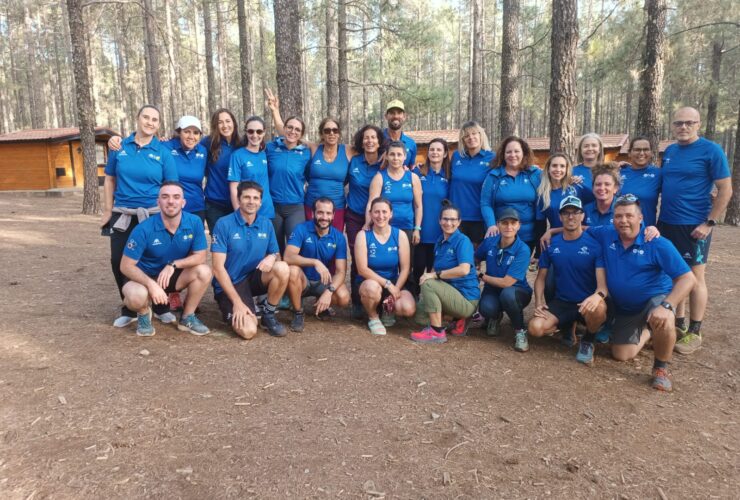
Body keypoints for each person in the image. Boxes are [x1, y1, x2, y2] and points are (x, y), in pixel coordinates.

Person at [587, 194, 696, 391]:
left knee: (663, 319)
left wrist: (667, 306)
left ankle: (660, 369)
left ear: (640, 218)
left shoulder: (657, 243)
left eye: (629, 215)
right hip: (626, 308)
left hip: (654, 300)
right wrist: (551, 231)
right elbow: (582, 229)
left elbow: (688, 279)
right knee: (621, 355)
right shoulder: (607, 233)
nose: (623, 221)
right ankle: (648, 332)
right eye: (618, 216)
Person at [658, 106, 732, 354]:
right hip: (667, 222)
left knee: (696, 276)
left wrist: (709, 222)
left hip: (694, 225)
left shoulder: (711, 150)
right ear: (672, 125)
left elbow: (725, 189)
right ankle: (678, 323)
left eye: (689, 123)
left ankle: (694, 331)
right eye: (679, 123)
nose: (683, 127)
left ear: (698, 124)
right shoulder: (669, 151)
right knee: (672, 273)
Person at [102, 104, 178, 328]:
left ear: (158, 125)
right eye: (146, 117)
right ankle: (131, 307)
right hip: (123, 213)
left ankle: (161, 304)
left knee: (156, 260)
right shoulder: (119, 146)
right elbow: (109, 179)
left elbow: (171, 186)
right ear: (137, 119)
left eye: (155, 119)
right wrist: (108, 210)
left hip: (154, 214)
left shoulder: (162, 152)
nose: (150, 122)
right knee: (119, 260)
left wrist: (169, 215)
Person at [119, 181, 211, 336]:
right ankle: (143, 314)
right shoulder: (143, 229)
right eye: (165, 196)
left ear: (183, 202)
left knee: (204, 271)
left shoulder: (194, 222)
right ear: (158, 202)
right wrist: (151, 284)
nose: (171, 201)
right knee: (136, 296)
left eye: (176, 197)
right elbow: (125, 266)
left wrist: (173, 265)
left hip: (171, 276)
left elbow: (200, 256)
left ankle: (187, 317)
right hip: (144, 278)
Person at [528, 196, 608, 357]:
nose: (571, 217)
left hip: (585, 303)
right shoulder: (552, 245)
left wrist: (596, 297)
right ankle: (566, 325)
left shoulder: (594, 245)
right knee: (535, 328)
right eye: (566, 213)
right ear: (560, 217)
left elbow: (602, 287)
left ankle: (588, 340)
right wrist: (538, 303)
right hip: (562, 302)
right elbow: (541, 278)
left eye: (576, 212)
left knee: (599, 308)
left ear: (582, 216)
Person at [210, 181, 290, 339]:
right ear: (238, 199)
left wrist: (272, 257)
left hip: (253, 278)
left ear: (261, 202)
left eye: (255, 198)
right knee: (248, 331)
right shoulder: (223, 224)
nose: (251, 201)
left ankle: (268, 315)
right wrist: (237, 303)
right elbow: (218, 269)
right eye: (246, 197)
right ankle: (239, 308)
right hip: (231, 283)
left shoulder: (266, 224)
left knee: (282, 268)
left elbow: (276, 254)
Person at [266, 90, 353, 230]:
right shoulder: (313, 149)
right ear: (322, 134)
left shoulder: (348, 150)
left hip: (337, 207)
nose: (331, 133)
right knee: (309, 243)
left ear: (339, 133)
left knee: (334, 243)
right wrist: (275, 111)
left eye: (335, 130)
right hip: (311, 204)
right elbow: (289, 134)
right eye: (327, 130)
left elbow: (370, 147)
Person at [411, 202, 480, 344]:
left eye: (453, 220)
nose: (449, 223)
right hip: (450, 292)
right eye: (445, 219)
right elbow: (435, 268)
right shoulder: (440, 241)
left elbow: (464, 269)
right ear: (439, 220)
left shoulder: (463, 241)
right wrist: (427, 276)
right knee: (420, 318)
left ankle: (437, 332)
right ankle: (456, 318)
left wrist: (433, 277)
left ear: (459, 222)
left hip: (466, 298)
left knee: (430, 284)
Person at [284, 197, 351, 332]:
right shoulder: (301, 229)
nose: (324, 217)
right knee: (292, 270)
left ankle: (320, 305)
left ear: (333, 215)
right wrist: (314, 262)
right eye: (320, 213)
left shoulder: (338, 237)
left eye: (328, 213)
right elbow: (288, 257)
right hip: (302, 280)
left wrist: (328, 292)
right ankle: (298, 312)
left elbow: (341, 272)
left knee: (343, 297)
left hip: (322, 281)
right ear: (313, 213)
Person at [354, 197, 416, 335]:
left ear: (391, 214)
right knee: (371, 287)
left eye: (384, 212)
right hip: (371, 282)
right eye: (376, 212)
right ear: (370, 214)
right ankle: (373, 316)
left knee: (408, 308)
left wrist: (395, 290)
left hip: (393, 283)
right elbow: (362, 269)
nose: (380, 216)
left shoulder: (399, 235)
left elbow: (405, 268)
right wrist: (388, 285)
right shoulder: (363, 235)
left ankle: (388, 310)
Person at [366, 141, 423, 292]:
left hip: (407, 228)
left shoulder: (412, 178)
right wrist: (368, 223)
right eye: (392, 154)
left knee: (406, 265)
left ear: (405, 156)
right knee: (384, 263)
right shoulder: (380, 177)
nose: (395, 158)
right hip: (384, 229)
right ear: (387, 156)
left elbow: (418, 205)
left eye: (399, 154)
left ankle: (408, 295)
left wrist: (417, 228)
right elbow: (371, 203)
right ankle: (382, 296)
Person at [475, 208, 533, 352]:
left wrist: (481, 276)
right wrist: (473, 265)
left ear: (519, 225)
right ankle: (495, 316)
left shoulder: (522, 249)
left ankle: (520, 331)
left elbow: (507, 283)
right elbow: (476, 256)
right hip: (492, 290)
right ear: (498, 224)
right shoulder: (490, 242)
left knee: (507, 294)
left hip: (517, 291)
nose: (509, 227)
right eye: (504, 223)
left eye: (513, 223)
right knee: (486, 308)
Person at [346, 125, 386, 316]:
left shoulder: (385, 163)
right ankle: (357, 301)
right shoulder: (354, 161)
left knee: (377, 256)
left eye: (374, 137)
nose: (370, 141)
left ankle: (379, 300)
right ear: (361, 142)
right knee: (357, 257)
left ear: (379, 141)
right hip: (354, 216)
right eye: (366, 138)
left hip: (379, 218)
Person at [480, 136, 542, 253]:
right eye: (508, 152)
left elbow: (557, 176)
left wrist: (572, 178)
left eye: (516, 151)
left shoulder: (535, 174)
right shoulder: (494, 176)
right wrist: (491, 225)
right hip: (501, 233)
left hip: (528, 234)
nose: (512, 155)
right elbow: (485, 203)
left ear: (524, 153)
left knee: (519, 268)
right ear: (503, 154)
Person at [265, 115, 311, 253]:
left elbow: (309, 177)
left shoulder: (306, 154)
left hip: (295, 207)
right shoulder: (270, 148)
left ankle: (294, 274)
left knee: (294, 248)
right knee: (275, 249)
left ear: (301, 134)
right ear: (284, 129)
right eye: (290, 127)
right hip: (273, 206)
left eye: (297, 129)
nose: (293, 131)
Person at [448, 121, 495, 244]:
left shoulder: (492, 158)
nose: (471, 138)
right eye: (466, 135)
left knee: (474, 258)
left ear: (481, 135)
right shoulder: (457, 156)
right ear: (463, 140)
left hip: (478, 217)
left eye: (474, 134)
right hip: (454, 217)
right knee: (455, 256)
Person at [412, 138, 450, 287]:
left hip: (440, 230)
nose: (435, 152)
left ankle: (430, 298)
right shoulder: (417, 172)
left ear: (445, 154)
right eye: (432, 149)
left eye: (439, 150)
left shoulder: (448, 176)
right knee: (418, 266)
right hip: (421, 228)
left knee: (434, 268)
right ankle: (415, 295)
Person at [202, 108, 242, 233]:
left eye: (228, 121)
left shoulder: (242, 144)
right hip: (214, 205)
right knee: (219, 246)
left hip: (238, 204)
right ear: (215, 125)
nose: (225, 125)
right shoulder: (208, 143)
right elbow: (188, 146)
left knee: (237, 246)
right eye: (220, 122)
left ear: (234, 123)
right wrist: (174, 138)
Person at [162, 116, 208, 221]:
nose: (191, 136)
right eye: (187, 132)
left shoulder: (203, 151)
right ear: (179, 132)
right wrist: (115, 138)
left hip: (196, 208)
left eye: (196, 133)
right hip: (171, 208)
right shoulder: (165, 147)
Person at [227, 116, 274, 219]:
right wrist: (239, 214)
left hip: (267, 210)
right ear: (246, 132)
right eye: (251, 131)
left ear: (264, 132)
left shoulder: (266, 153)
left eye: (259, 131)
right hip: (247, 212)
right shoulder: (237, 155)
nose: (255, 135)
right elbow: (234, 187)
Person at [536, 153, 592, 230]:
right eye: (554, 166)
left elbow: (597, 202)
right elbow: (540, 224)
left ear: (566, 169)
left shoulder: (576, 187)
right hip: (556, 238)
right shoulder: (543, 195)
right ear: (548, 169)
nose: (558, 169)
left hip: (580, 236)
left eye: (562, 166)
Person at [619, 136, 662, 226]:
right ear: (629, 153)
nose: (641, 153)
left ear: (651, 153)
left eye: (646, 149)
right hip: (620, 227)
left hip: (647, 231)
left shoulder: (659, 174)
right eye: (637, 150)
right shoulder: (618, 172)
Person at [383, 99, 417, 167]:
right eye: (392, 113)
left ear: (404, 116)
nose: (395, 116)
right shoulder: (377, 139)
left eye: (399, 113)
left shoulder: (411, 144)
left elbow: (411, 168)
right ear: (386, 116)